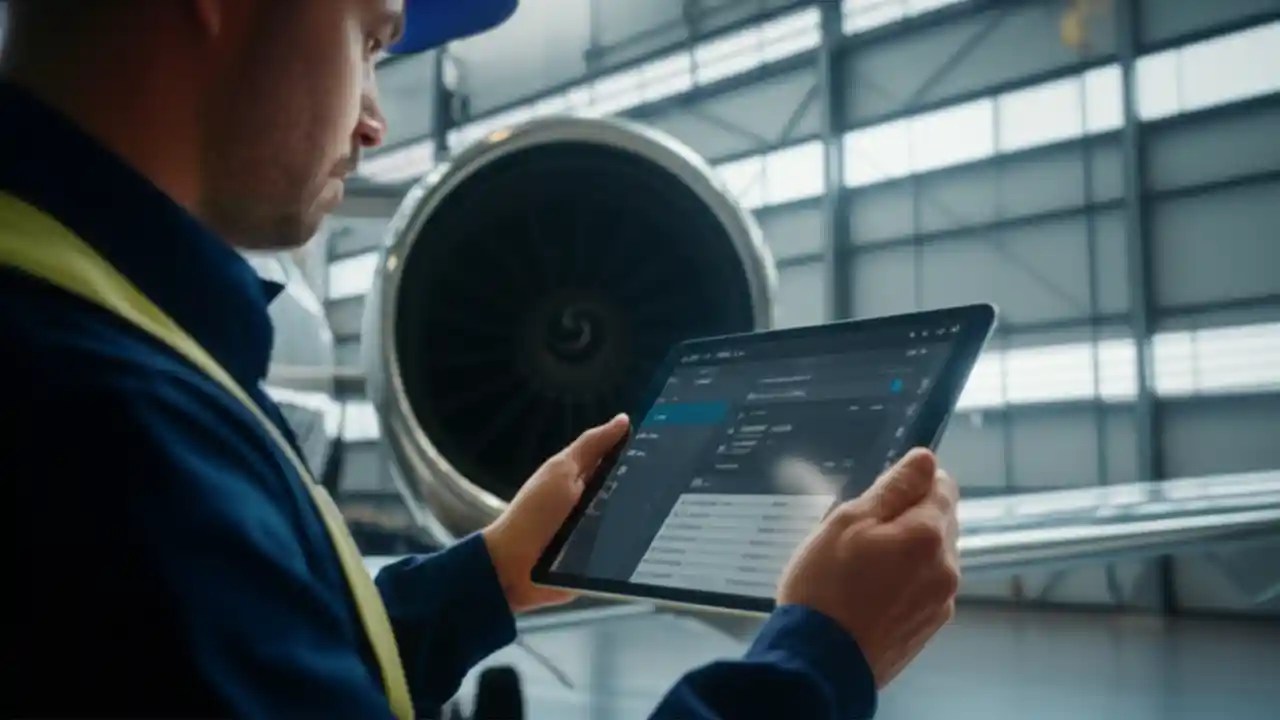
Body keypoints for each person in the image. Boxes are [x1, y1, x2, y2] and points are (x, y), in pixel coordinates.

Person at [0, 1, 961, 718]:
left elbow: (234, 668)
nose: (374, 121)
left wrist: (489, 576)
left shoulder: (73, 338)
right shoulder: (108, 427)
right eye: (369, 41)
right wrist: (820, 660)